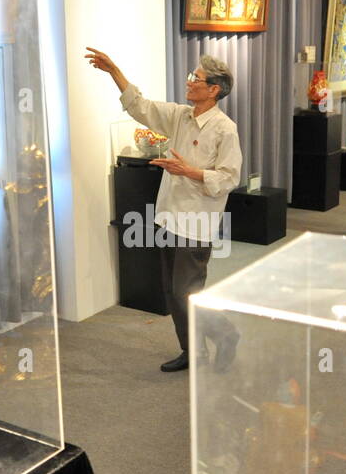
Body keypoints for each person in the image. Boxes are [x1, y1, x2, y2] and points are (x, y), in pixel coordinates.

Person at [85, 47, 242, 373]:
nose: (189, 82)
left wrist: (191, 172)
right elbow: (141, 107)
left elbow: (229, 178)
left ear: (213, 89)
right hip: (169, 215)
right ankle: (192, 351)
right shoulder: (181, 116)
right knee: (173, 292)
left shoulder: (225, 129)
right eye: (191, 76)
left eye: (195, 78)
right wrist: (114, 70)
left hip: (198, 222)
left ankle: (226, 334)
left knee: (189, 292)